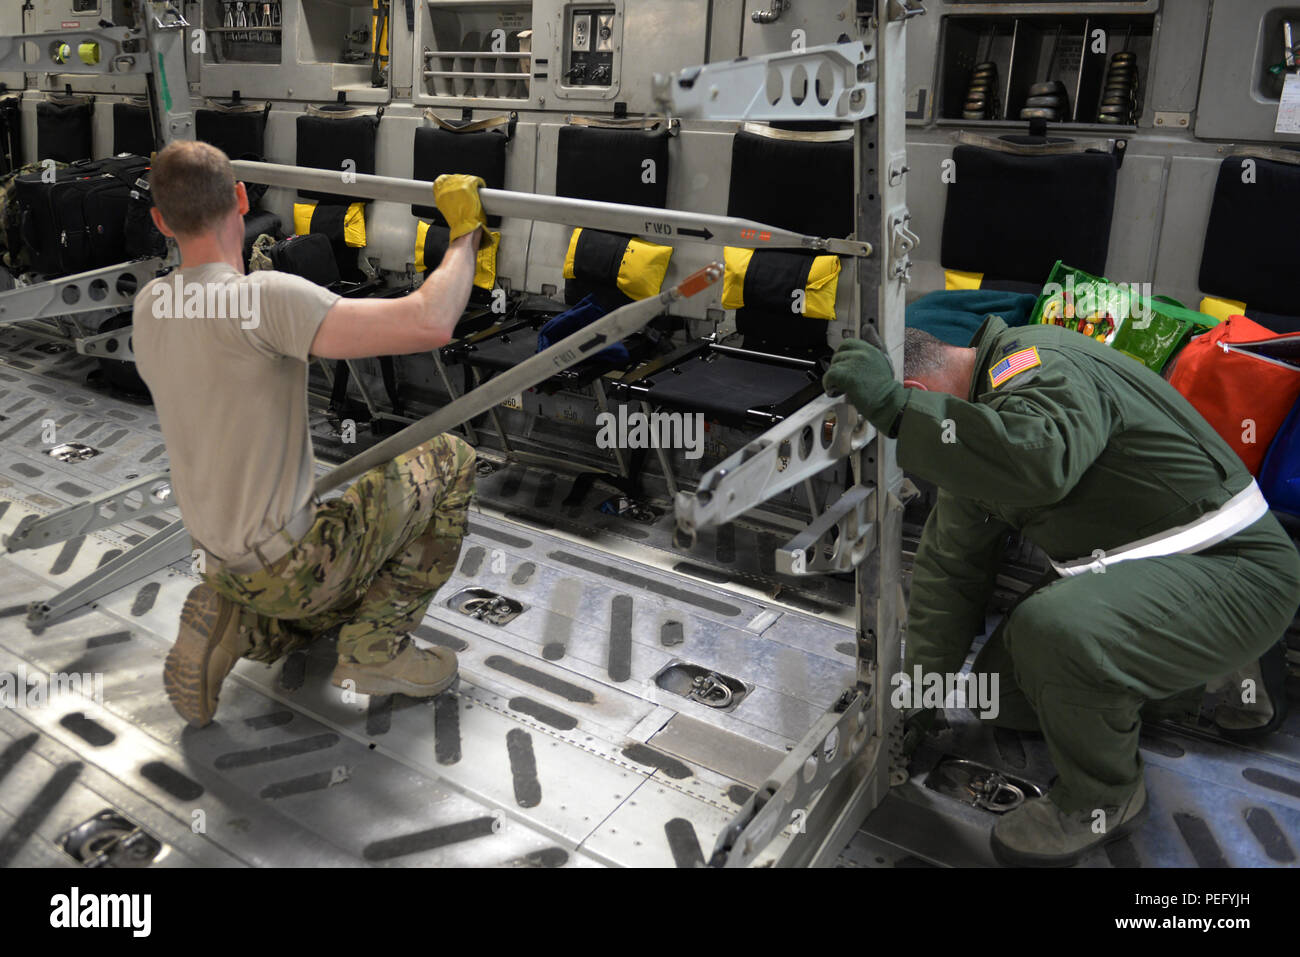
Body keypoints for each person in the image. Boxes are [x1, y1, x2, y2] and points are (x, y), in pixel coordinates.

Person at [824, 319, 1300, 866]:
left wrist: (899, 418)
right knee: (1001, 693)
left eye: (906, 423)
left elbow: (1039, 463)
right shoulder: (976, 428)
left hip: (1233, 568)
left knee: (1050, 633)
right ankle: (1206, 670)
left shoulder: (1039, 364)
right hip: (1149, 573)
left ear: (919, 397)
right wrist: (916, 704)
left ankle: (1104, 798)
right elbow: (948, 576)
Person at [134, 139, 491, 728]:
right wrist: (464, 236)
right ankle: (377, 654)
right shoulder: (265, 300)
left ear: (160, 221)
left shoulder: (151, 306)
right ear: (242, 198)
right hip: (293, 566)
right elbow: (430, 321)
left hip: (218, 560)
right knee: (447, 457)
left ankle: (236, 624)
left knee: (331, 554)